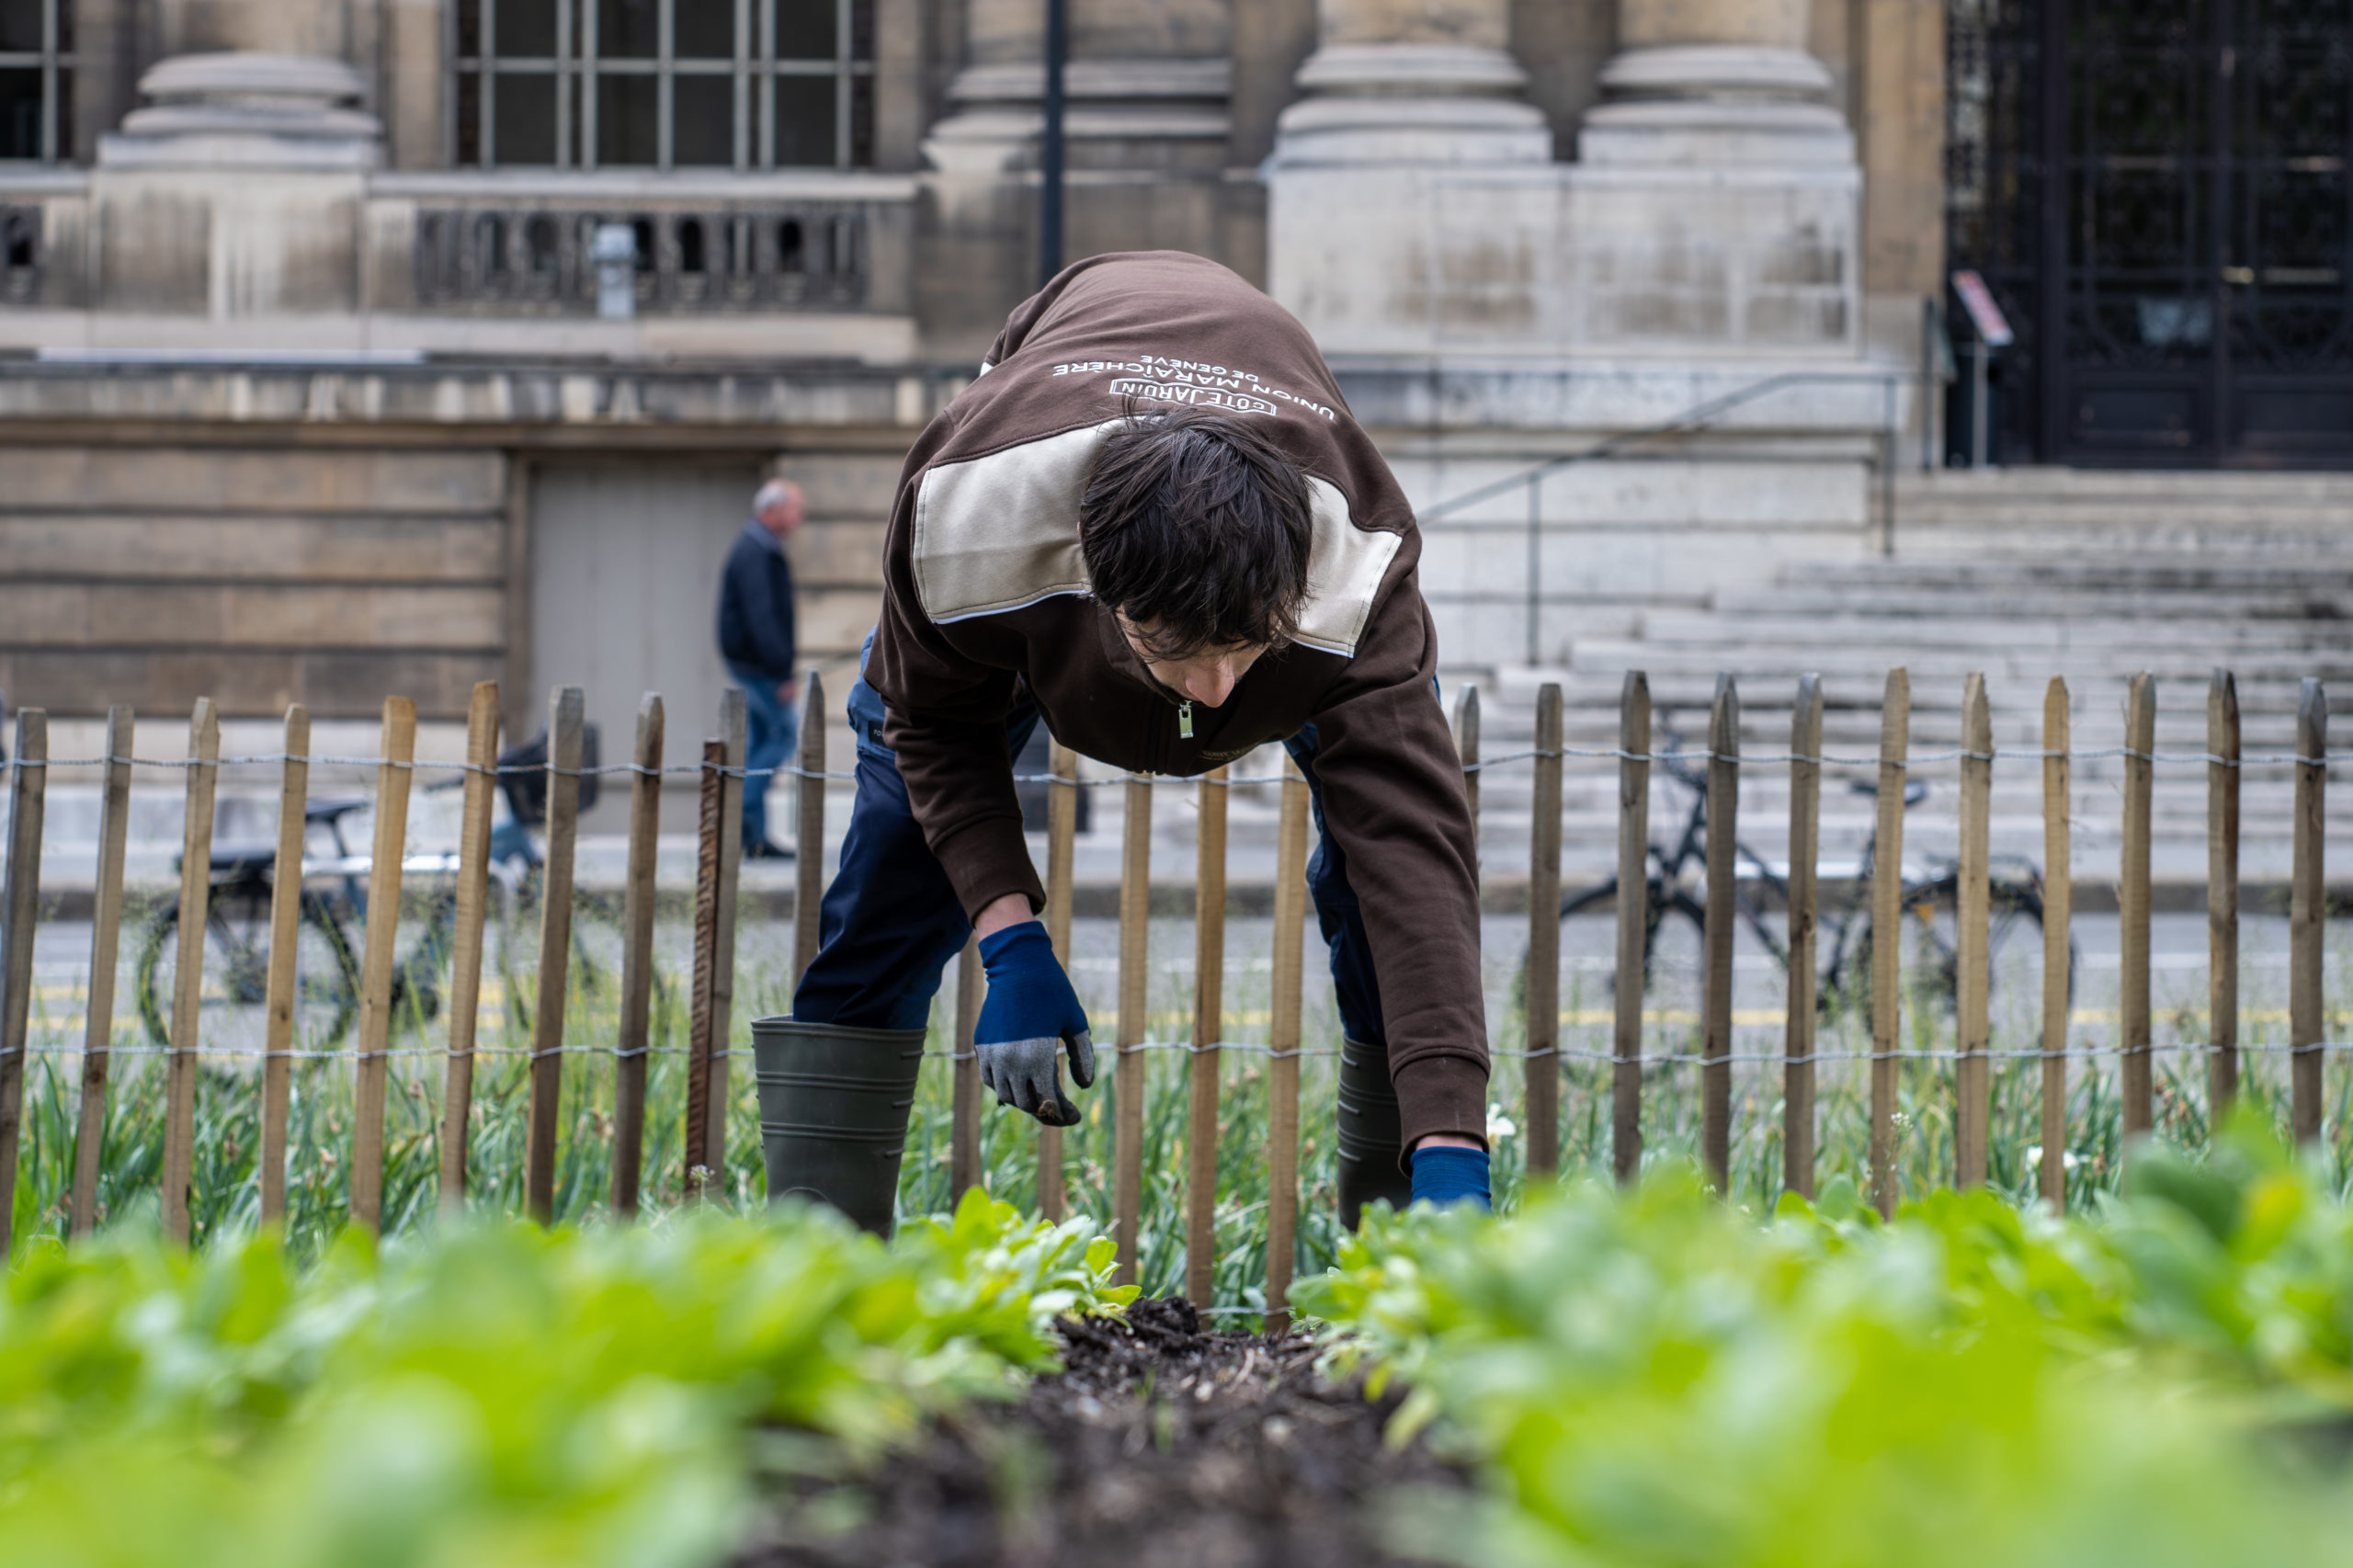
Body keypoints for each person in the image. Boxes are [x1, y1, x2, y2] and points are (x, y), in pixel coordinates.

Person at [763, 250, 1490, 1236]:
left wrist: (1453, 1136)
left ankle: (1411, 1244)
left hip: (1284, 516)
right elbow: (932, 725)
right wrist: (1008, 936)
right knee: (894, 871)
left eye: (1246, 650)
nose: (1219, 693)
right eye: (1180, 653)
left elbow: (1414, 853)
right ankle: (817, 1255)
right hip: (1038, 491)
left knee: (1374, 894)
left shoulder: (1355, 565)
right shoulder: (970, 518)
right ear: (1098, 590)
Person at [719, 478, 802, 859]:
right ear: (773, 509)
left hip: (753, 666)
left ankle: (751, 835)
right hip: (760, 669)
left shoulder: (760, 548)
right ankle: (740, 822)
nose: (798, 518)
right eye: (793, 510)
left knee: (758, 745)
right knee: (781, 738)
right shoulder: (756, 552)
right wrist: (782, 672)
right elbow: (762, 618)